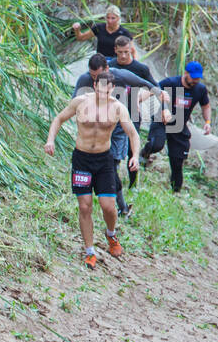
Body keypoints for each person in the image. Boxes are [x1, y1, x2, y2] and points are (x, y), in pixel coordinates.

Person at [47, 69, 141, 268]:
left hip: (104, 161)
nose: (102, 96)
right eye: (99, 91)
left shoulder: (117, 108)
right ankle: (90, 251)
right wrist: (50, 141)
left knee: (108, 206)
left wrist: (135, 156)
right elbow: (59, 119)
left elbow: (132, 133)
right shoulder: (81, 102)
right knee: (84, 206)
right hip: (82, 159)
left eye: (106, 93)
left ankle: (111, 235)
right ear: (94, 86)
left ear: (112, 90)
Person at [73, 52, 158, 217]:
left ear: (107, 69)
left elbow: (149, 84)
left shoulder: (120, 75)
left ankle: (122, 207)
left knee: (112, 167)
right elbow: (74, 104)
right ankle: (118, 205)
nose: (95, 81)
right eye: (93, 77)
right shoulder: (85, 80)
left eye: (98, 76)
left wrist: (141, 100)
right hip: (95, 129)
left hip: (118, 127)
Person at [144, 61, 211, 193]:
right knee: (156, 144)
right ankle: (144, 154)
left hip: (179, 125)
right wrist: (142, 98)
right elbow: (154, 89)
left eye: (198, 78)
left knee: (177, 161)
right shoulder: (171, 83)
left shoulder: (200, 89)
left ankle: (176, 192)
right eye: (193, 77)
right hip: (161, 120)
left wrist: (207, 122)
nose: (195, 80)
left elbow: (206, 106)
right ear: (185, 73)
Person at [110, 35, 161, 206]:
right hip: (112, 114)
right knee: (111, 149)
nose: (123, 56)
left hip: (133, 112)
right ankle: (111, 183)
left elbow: (155, 87)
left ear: (131, 49)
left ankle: (133, 183)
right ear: (115, 50)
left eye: (127, 52)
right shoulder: (111, 66)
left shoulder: (140, 68)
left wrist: (140, 97)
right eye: (120, 52)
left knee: (133, 149)